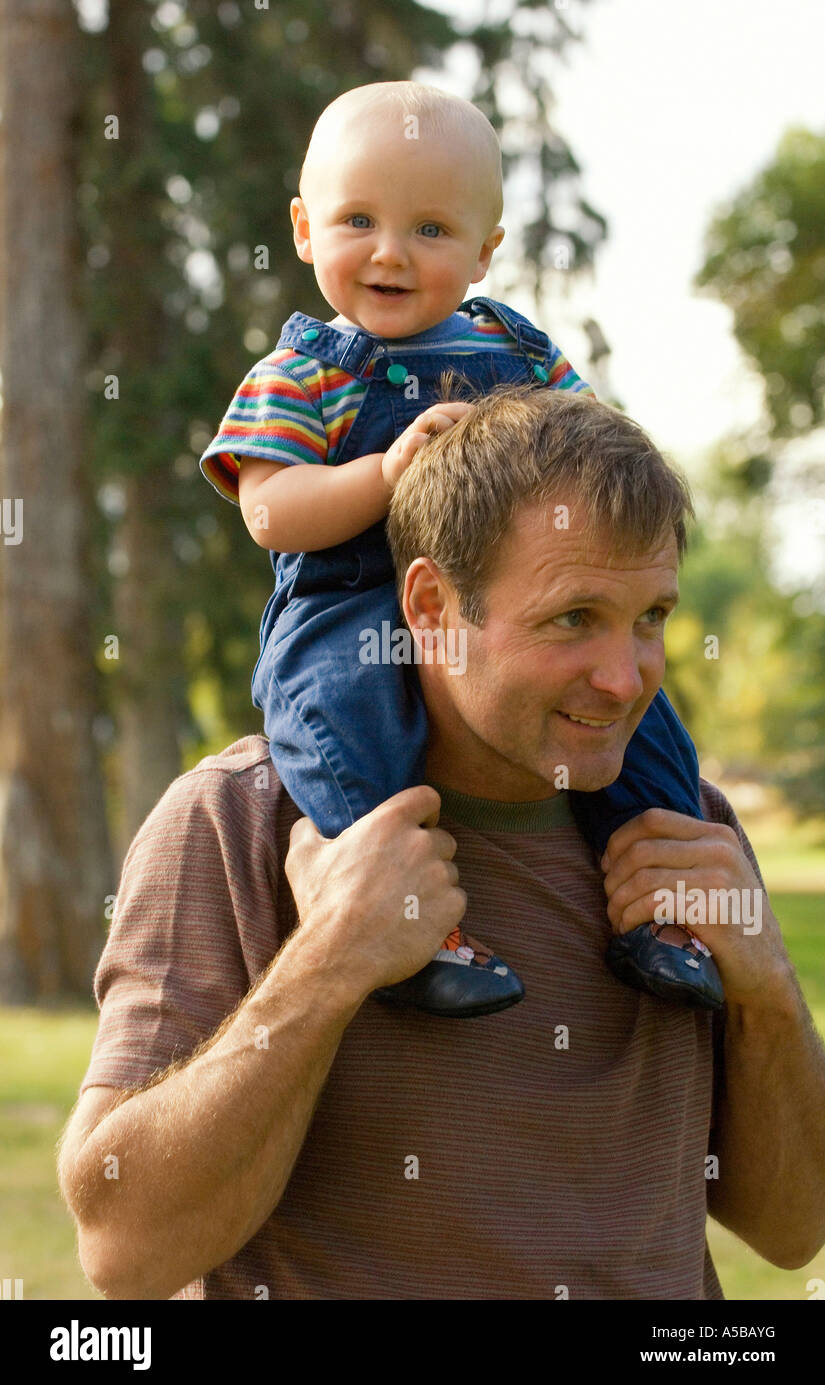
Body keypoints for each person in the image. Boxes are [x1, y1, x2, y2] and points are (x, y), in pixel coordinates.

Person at [58, 386, 825, 1301]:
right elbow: (124, 1253)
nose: (626, 680)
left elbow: (791, 1230)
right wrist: (331, 959)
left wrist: (767, 990)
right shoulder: (239, 821)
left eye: (650, 618)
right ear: (429, 603)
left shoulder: (686, 830)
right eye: (572, 618)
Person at [198, 79, 721, 1017]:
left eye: (432, 231)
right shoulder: (303, 371)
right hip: (350, 595)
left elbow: (595, 451)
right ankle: (406, 916)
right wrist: (384, 475)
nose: (391, 252)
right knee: (340, 720)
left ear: (485, 252)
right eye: (358, 219)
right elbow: (270, 512)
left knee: (645, 735)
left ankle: (655, 908)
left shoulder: (518, 354)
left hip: (505, 601)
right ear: (304, 228)